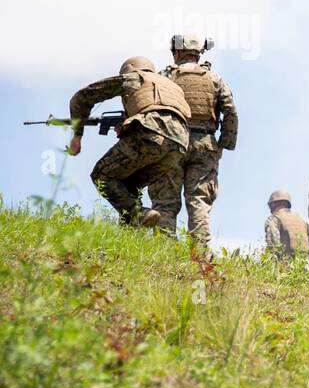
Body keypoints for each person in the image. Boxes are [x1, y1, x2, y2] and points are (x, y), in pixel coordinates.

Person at [65, 56, 189, 229]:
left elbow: (81, 97)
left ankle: (139, 214)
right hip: (179, 146)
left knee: (102, 175)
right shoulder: (171, 86)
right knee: (127, 186)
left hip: (151, 133)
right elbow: (163, 113)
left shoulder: (134, 77)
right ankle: (130, 239)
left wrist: (77, 136)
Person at [154, 34, 238, 244]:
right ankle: (199, 254)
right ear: (198, 53)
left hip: (171, 143)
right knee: (199, 200)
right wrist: (223, 144)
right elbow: (231, 112)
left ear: (178, 52)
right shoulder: (214, 79)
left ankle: (163, 251)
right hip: (205, 145)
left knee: (165, 202)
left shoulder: (164, 76)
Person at [264, 189, 309, 260]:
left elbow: (272, 238)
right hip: (302, 261)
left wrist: (276, 258)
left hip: (285, 261)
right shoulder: (301, 219)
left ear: (273, 204)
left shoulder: (274, 218)